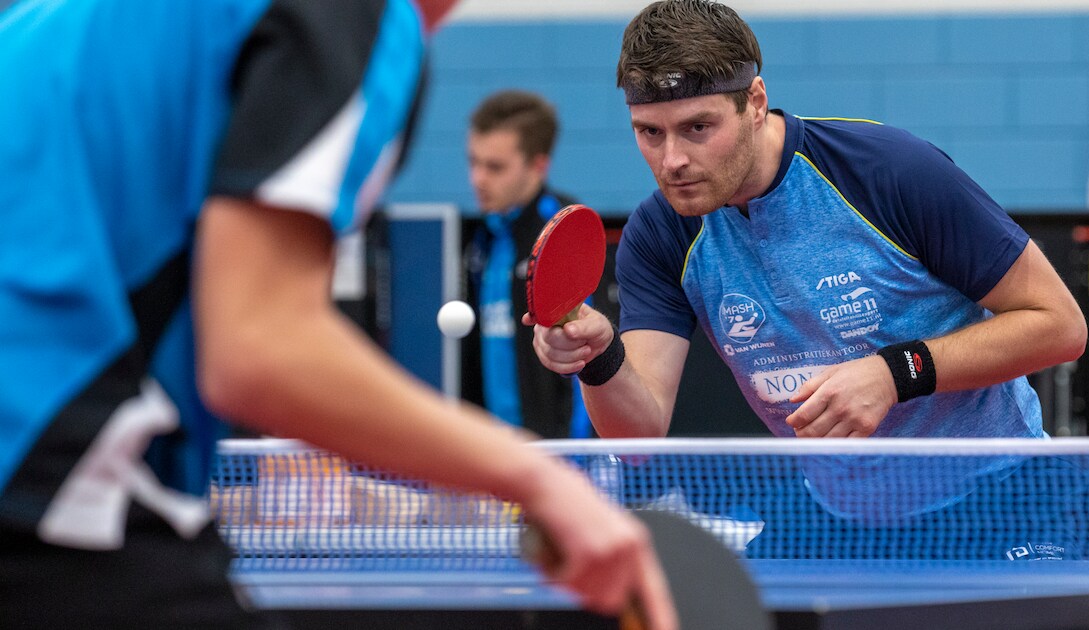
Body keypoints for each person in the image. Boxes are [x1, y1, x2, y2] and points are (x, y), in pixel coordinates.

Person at [0, 1, 675, 628]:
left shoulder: (71, 19)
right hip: (46, 467)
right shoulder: (350, 16)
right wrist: (532, 477)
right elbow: (258, 351)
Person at [527, 0, 1088, 560]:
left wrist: (896, 373)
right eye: (649, 132)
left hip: (1001, 498)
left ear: (755, 102)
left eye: (698, 127)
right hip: (838, 514)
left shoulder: (888, 171)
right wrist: (598, 358)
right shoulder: (661, 234)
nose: (672, 159)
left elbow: (1059, 326)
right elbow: (638, 439)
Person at [462, 90, 591, 439]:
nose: (478, 179)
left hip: (557, 457)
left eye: (495, 167)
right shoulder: (483, 241)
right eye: (473, 162)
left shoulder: (562, 231)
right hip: (500, 455)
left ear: (538, 165)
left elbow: (588, 360)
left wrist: (574, 458)